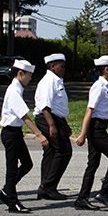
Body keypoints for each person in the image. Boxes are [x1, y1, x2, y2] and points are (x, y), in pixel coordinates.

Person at [72, 56, 108, 211]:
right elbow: (90, 111)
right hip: (95, 129)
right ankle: (104, 192)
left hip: (101, 127)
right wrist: (82, 134)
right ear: (106, 69)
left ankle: (82, 198)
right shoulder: (99, 87)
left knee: (93, 164)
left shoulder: (107, 87)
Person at [0, 59, 49, 213]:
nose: (31, 78)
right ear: (20, 74)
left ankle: (7, 190)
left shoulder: (17, 88)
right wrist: (39, 135)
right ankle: (12, 201)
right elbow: (25, 116)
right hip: (10, 133)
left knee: (27, 164)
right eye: (29, 75)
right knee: (11, 168)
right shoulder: (13, 90)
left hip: (16, 132)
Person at [34, 54, 73, 200]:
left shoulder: (56, 80)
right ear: (52, 66)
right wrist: (52, 125)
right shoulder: (48, 81)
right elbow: (45, 106)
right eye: (61, 66)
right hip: (48, 119)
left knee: (51, 152)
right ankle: (48, 187)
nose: (63, 69)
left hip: (56, 119)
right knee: (63, 151)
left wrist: (64, 124)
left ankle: (45, 187)